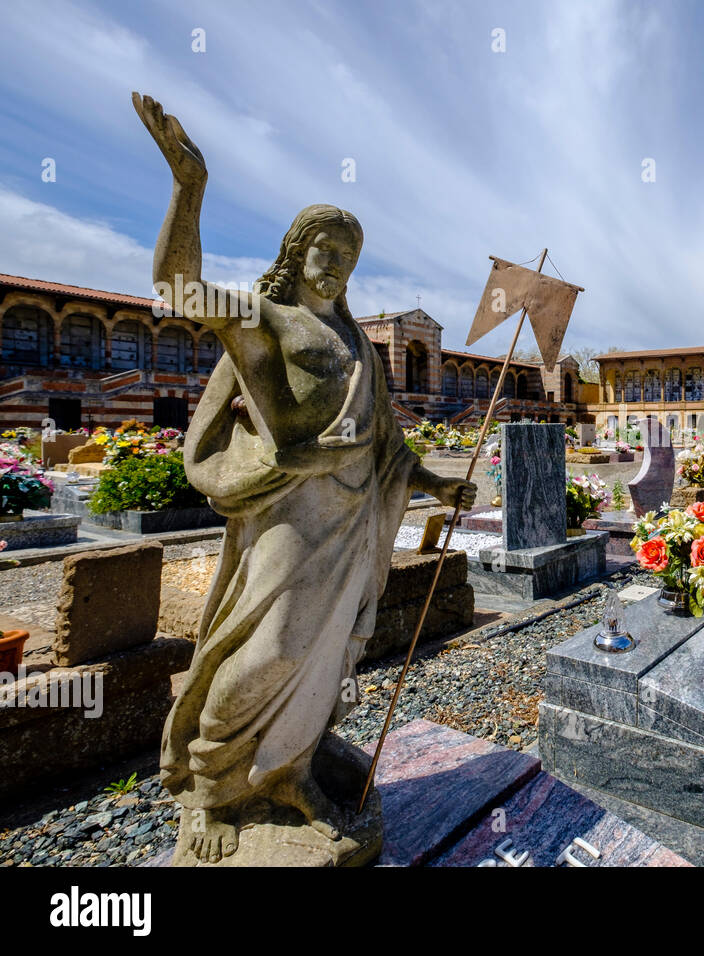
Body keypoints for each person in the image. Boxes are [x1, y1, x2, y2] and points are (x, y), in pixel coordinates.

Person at [134, 93, 475, 864]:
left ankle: (286, 773)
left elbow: (385, 448)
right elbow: (178, 287)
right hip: (291, 515)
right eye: (324, 246)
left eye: (348, 255)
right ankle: (213, 784)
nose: (336, 262)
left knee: (325, 659)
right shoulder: (265, 318)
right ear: (297, 248)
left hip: (352, 519)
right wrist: (190, 186)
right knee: (272, 650)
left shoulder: (356, 342)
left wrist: (434, 484)